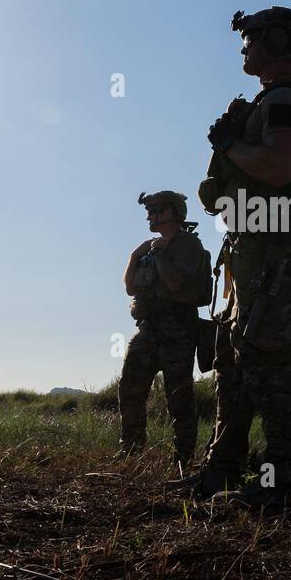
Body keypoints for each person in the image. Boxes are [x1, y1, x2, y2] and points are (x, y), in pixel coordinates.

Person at [184, 6, 291, 508]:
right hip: (247, 252)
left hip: (270, 253)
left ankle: (284, 481)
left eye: (250, 39)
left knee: (270, 366)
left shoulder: (286, 101)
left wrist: (229, 146)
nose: (243, 48)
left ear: (274, 42)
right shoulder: (269, 101)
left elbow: (276, 167)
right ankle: (220, 471)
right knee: (233, 364)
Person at [118, 190, 211, 465]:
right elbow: (130, 287)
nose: (150, 215)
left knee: (179, 397)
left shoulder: (188, 246)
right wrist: (136, 256)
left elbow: (177, 286)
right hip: (149, 328)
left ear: (173, 211)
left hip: (178, 330)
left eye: (156, 209)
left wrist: (159, 257)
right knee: (130, 388)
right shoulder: (150, 246)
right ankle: (131, 451)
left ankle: (182, 458)